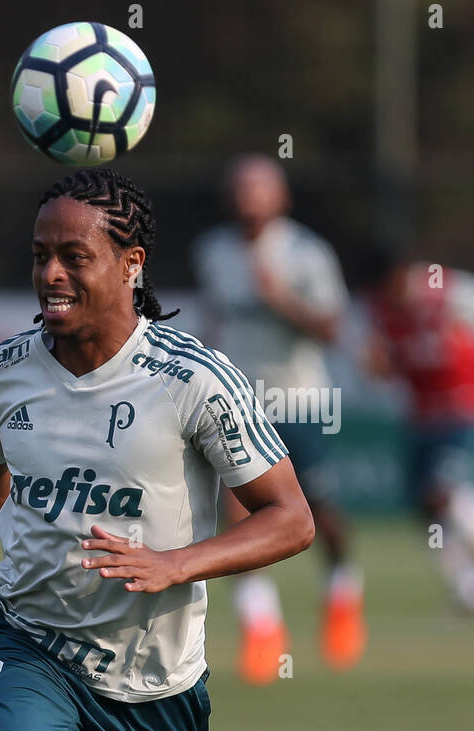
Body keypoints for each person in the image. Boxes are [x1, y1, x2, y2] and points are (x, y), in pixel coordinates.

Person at [0, 168, 315, 731]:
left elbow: (292, 518)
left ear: (131, 262)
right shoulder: (4, 373)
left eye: (73, 257)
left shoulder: (195, 379)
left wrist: (176, 563)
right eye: (40, 255)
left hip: (153, 682)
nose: (50, 272)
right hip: (26, 638)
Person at [191, 154, 364, 684]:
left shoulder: (307, 253)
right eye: (240, 187)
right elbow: (213, 321)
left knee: (317, 510)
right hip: (239, 401)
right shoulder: (214, 251)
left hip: (299, 399)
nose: (248, 197)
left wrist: (281, 300)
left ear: (280, 198)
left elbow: (334, 329)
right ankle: (262, 627)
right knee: (237, 513)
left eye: (259, 188)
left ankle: (342, 588)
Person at [365, 249, 474, 612]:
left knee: (441, 489)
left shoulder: (442, 288)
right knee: (423, 506)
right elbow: (386, 366)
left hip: (466, 405)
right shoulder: (381, 310)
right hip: (422, 414)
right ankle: (471, 585)